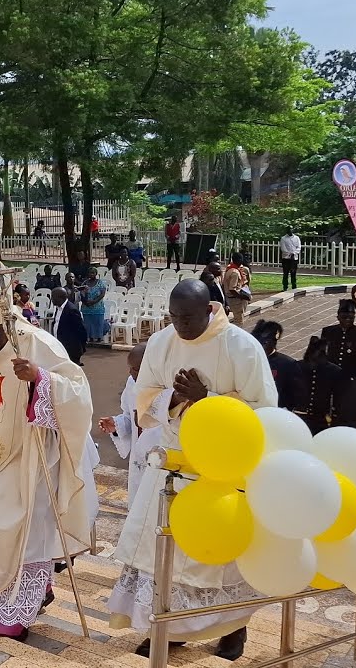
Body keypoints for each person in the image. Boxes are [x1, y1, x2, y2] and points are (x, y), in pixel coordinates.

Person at [110, 279, 277, 659]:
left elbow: (265, 410)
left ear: (209, 310)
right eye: (174, 317)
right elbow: (144, 397)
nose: (180, 325)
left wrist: (207, 400)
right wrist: (175, 399)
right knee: (164, 553)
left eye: (187, 317)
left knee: (218, 556)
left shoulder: (240, 346)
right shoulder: (162, 342)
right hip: (172, 462)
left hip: (221, 468)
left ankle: (233, 630)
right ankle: (168, 629)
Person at [0, 253, 94, 642]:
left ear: (8, 322)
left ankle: (20, 606)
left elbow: (78, 393)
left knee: (22, 530)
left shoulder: (37, 344)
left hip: (27, 459)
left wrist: (41, 380)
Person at [97, 344, 155, 503]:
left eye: (135, 369)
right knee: (138, 503)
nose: (130, 373)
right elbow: (130, 417)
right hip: (139, 460)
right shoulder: (132, 383)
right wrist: (117, 424)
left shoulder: (167, 387)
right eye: (130, 368)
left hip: (159, 458)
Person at [295, 336, 346, 435]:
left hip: (321, 417)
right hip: (300, 415)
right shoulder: (298, 366)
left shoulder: (334, 371)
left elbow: (338, 397)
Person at [251, 319, 301, 410]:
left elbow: (293, 395)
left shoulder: (288, 364)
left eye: (265, 343)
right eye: (258, 342)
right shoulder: (249, 360)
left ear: (273, 343)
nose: (261, 346)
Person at [321, 299, 356, 380]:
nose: (347, 320)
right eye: (344, 317)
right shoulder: (328, 332)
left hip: (351, 377)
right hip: (331, 375)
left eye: (351, 317)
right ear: (338, 317)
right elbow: (322, 354)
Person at [50, 287, 87, 365]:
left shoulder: (72, 310)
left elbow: (81, 330)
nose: (51, 299)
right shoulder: (58, 308)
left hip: (71, 350)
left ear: (60, 297)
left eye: (53, 297)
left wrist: (80, 349)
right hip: (60, 346)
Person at [80, 268, 109, 343]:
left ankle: (99, 337)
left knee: (98, 323)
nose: (91, 274)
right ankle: (90, 337)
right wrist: (86, 302)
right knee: (89, 323)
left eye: (93, 273)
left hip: (98, 307)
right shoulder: (85, 283)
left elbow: (102, 294)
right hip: (86, 307)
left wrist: (94, 301)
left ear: (96, 274)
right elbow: (81, 294)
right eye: (90, 273)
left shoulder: (100, 283)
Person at [221, 252, 250, 325]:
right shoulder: (235, 273)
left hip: (232, 298)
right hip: (235, 299)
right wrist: (242, 296)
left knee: (238, 318)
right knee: (239, 320)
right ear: (239, 260)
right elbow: (232, 289)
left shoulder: (230, 269)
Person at [280, 226, 301, 291]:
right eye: (289, 230)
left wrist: (294, 253)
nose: (290, 231)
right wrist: (289, 253)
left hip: (294, 258)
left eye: (291, 229)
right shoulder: (283, 238)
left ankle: (294, 286)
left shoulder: (297, 238)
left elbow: (299, 247)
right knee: (285, 273)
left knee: (293, 272)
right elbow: (283, 248)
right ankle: (285, 286)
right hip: (286, 258)